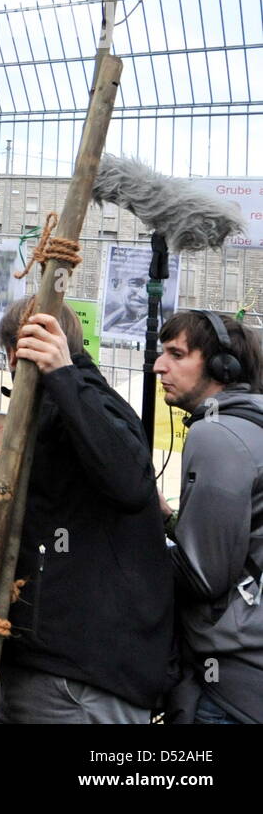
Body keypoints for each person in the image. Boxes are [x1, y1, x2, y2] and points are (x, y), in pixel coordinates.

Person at [0, 298, 176, 723]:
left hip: (78, 680)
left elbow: (130, 480)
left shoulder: (90, 401)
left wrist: (64, 376)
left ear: (14, 355)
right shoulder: (59, 402)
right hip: (52, 665)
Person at [154, 309, 263, 725]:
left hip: (230, 685)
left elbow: (203, 577)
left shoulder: (216, 434)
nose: (159, 365)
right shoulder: (253, 423)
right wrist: (169, 519)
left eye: (176, 354)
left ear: (222, 365)